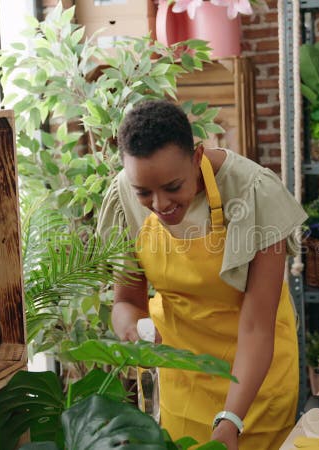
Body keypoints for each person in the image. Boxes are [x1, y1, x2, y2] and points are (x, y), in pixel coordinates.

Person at [97, 100, 307, 449]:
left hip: (255, 385)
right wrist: (132, 328)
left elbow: (257, 325)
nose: (160, 204)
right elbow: (126, 301)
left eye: (173, 187)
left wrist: (231, 420)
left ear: (197, 157)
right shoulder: (124, 197)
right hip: (182, 381)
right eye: (144, 192)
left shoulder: (254, 193)